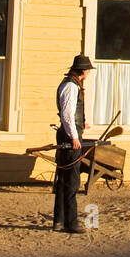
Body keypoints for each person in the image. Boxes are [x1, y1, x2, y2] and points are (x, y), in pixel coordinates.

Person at [53, 54, 94, 233]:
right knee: (72, 181)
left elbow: (71, 114)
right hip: (69, 139)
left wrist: (82, 123)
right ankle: (71, 222)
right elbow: (67, 114)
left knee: (63, 180)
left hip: (66, 135)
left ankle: (59, 221)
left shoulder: (69, 84)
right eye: (87, 70)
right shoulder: (71, 86)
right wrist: (74, 136)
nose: (88, 73)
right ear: (83, 71)